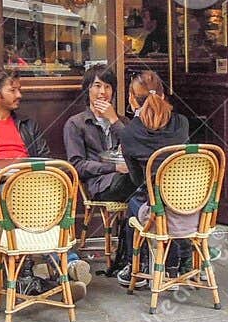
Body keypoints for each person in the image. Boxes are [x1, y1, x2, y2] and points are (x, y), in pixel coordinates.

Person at [109, 69, 193, 279]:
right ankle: (180, 260)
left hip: (159, 213)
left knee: (134, 203)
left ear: (131, 99)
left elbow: (138, 180)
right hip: (194, 209)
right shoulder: (182, 123)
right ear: (163, 95)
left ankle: (137, 266)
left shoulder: (130, 133)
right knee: (157, 202)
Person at [63, 65, 130, 204]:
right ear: (87, 89)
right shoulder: (76, 123)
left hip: (127, 178)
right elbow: (77, 165)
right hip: (100, 184)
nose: (103, 92)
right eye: (97, 86)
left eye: (107, 87)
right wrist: (114, 168)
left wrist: (114, 120)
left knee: (145, 181)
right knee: (134, 184)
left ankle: (139, 216)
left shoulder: (122, 121)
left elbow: (135, 149)